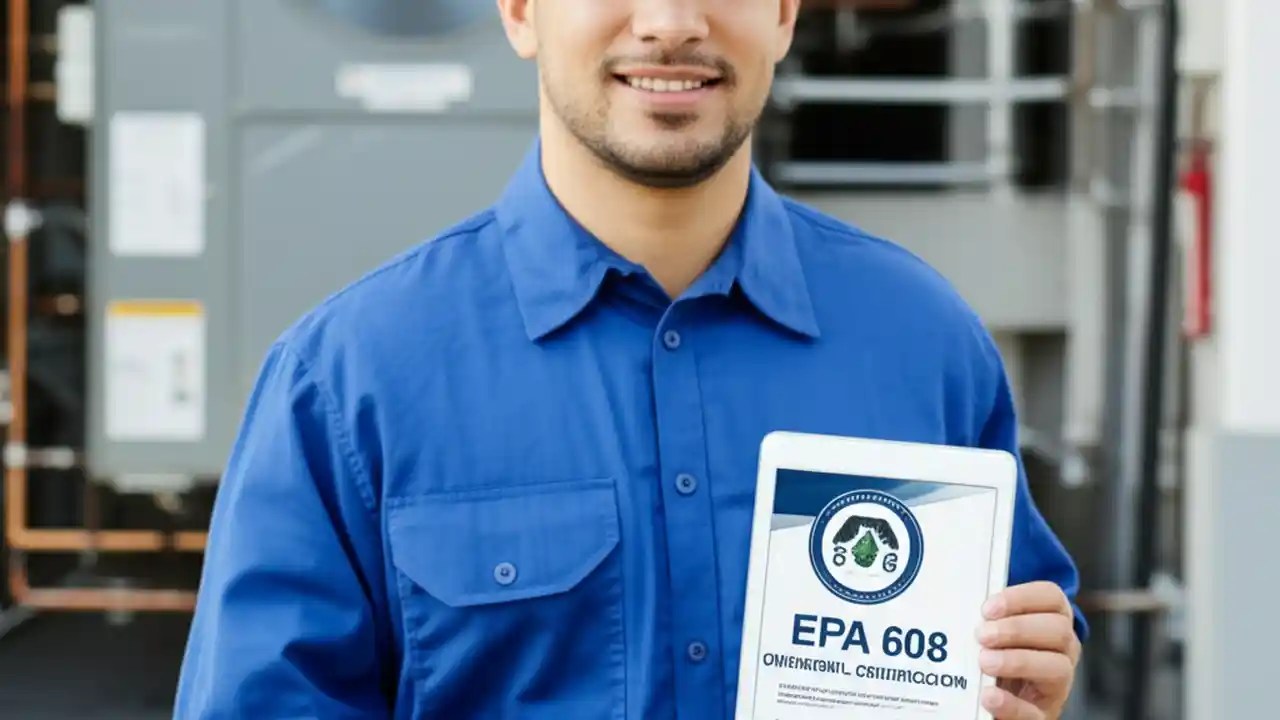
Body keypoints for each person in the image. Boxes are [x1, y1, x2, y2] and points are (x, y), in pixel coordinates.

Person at [174, 0, 1086, 718]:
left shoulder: (921, 345)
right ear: (521, 10)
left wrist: (1028, 680)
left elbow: (1009, 656)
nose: (671, 21)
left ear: (784, 12)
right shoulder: (347, 380)